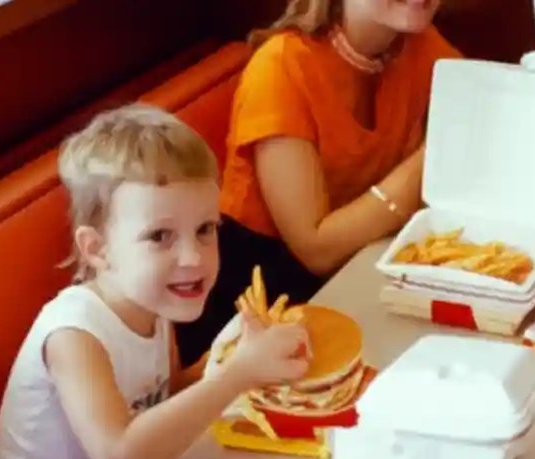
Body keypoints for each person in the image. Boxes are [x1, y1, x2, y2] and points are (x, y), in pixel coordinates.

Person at [0, 104, 313, 459]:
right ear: (97, 249)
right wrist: (235, 376)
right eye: (160, 236)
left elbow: (160, 395)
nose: (193, 257)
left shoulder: (153, 300)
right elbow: (123, 458)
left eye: (206, 230)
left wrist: (221, 359)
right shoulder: (74, 334)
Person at [175, 0, 463, 366]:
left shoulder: (416, 45)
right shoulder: (281, 67)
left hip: (357, 280)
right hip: (252, 312)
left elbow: (485, 110)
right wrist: (431, 156)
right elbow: (315, 251)